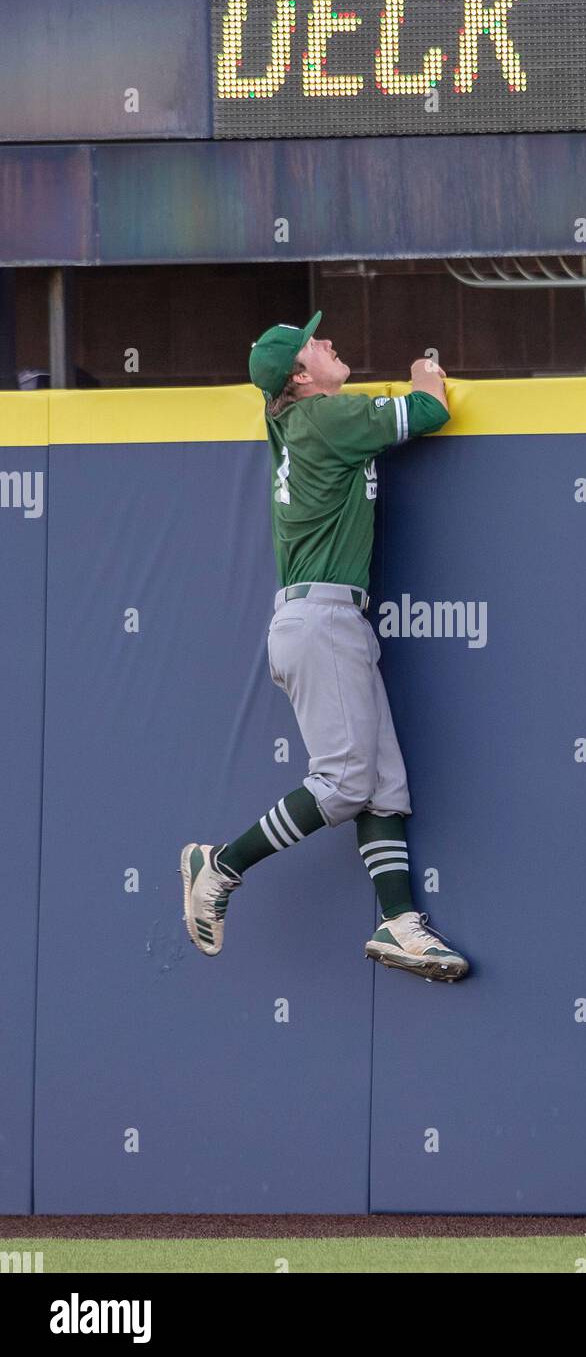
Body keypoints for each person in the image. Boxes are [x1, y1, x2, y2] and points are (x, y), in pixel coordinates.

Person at [180, 311, 469, 983]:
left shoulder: (300, 419)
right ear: (301, 376)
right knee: (343, 784)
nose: (330, 341)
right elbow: (428, 409)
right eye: (315, 343)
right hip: (323, 620)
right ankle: (219, 864)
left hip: (326, 618)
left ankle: (400, 926)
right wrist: (425, 376)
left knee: (382, 790)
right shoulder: (323, 418)